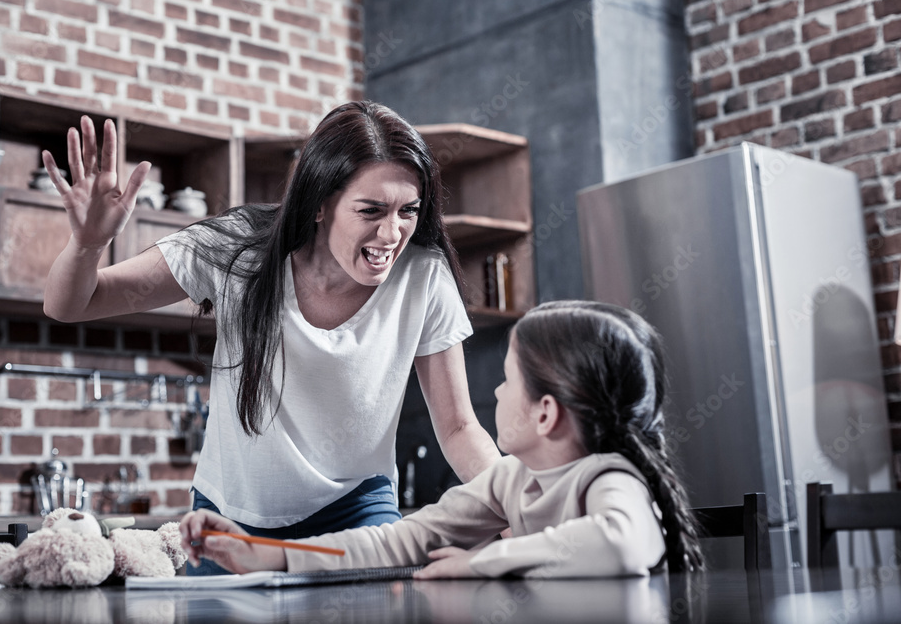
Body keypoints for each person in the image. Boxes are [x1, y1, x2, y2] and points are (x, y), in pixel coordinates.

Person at [41, 102, 501, 575]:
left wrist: (513, 502)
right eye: (371, 210)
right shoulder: (235, 248)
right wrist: (88, 243)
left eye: (409, 211)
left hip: (357, 518)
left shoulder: (423, 275)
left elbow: (459, 428)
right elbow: (72, 303)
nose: (392, 233)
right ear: (320, 202)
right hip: (227, 525)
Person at [180, 300, 706, 578]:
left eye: (508, 379)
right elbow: (395, 541)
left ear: (546, 413)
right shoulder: (510, 480)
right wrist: (268, 553)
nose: (496, 392)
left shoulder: (608, 476)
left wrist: (481, 563)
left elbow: (623, 544)